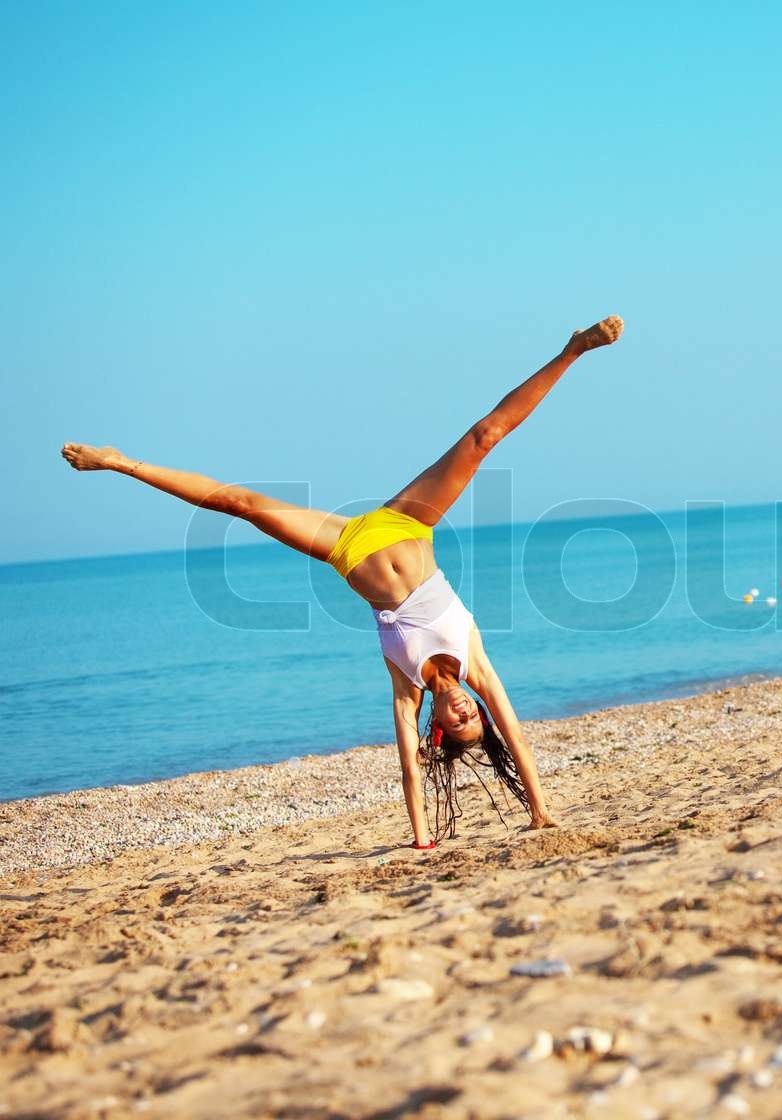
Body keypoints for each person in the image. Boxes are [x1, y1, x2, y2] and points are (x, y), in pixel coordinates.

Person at [60, 315, 624, 848]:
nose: (467, 712)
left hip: (346, 547)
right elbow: (515, 733)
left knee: (242, 505)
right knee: (483, 437)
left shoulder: (408, 689)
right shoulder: (476, 665)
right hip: (409, 521)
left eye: (460, 725)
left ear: (438, 727)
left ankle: (120, 463)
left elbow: (409, 768)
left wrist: (421, 838)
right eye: (475, 715)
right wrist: (539, 809)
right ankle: (573, 348)